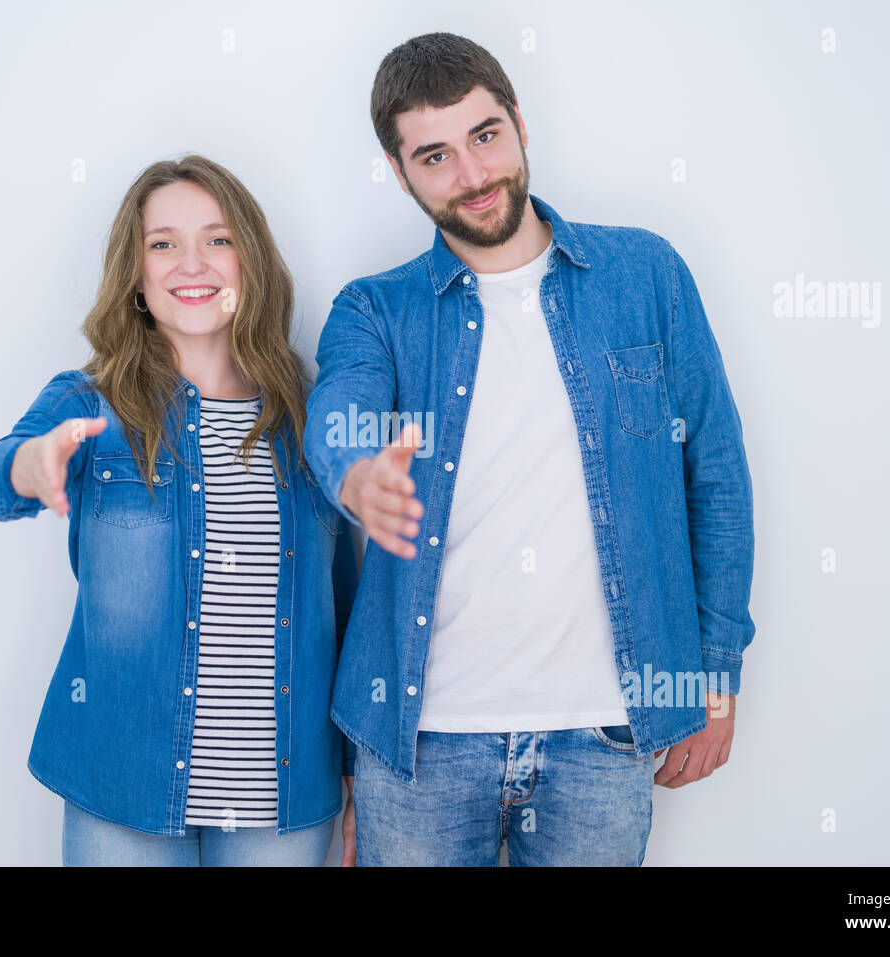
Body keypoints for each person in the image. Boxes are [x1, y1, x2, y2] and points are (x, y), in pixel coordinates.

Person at [305, 33, 757, 866]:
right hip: (419, 745)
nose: (472, 176)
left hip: (603, 733)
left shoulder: (645, 273)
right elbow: (341, 408)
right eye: (434, 155)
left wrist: (716, 674)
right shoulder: (376, 309)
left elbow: (716, 474)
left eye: (485, 136)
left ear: (518, 122)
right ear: (400, 174)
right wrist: (357, 471)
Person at [0, 154, 358, 866]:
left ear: (250, 262)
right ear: (137, 274)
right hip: (124, 788)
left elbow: (344, 602)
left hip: (282, 800)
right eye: (163, 243)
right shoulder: (90, 402)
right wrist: (31, 464)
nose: (192, 263)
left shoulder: (308, 417)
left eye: (217, 239)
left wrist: (358, 774)